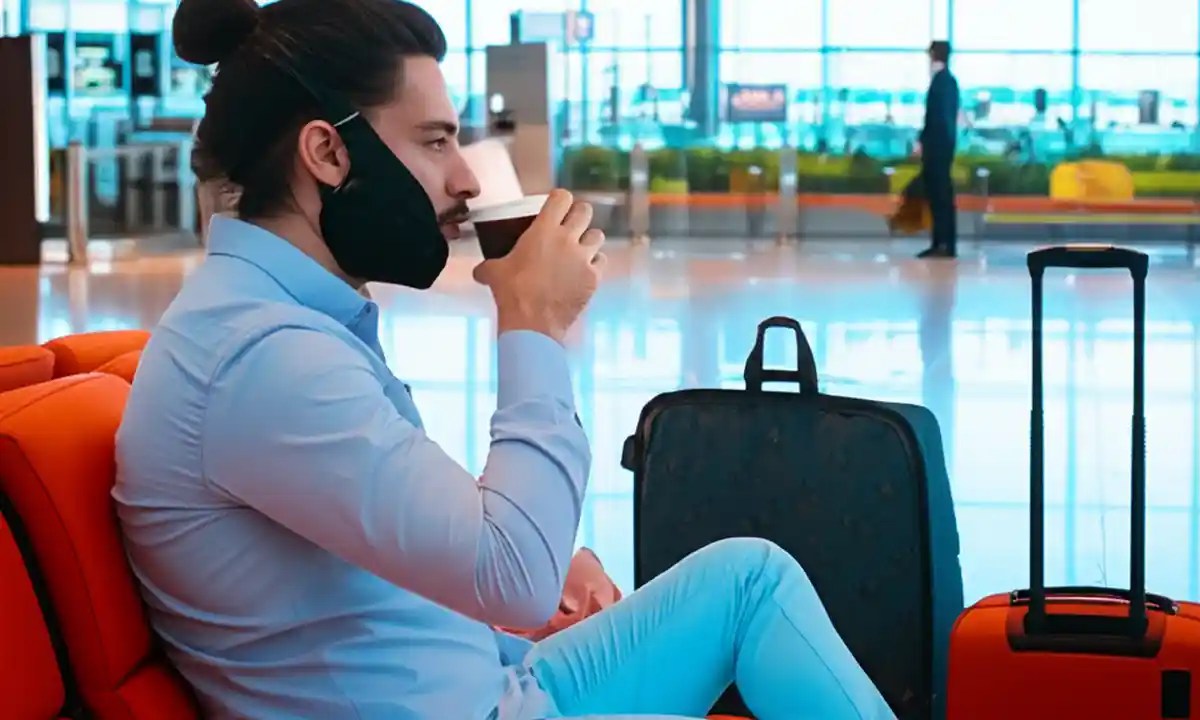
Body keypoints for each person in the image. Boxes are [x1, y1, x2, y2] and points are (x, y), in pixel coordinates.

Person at [113, 0, 896, 719]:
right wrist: (532, 322)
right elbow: (512, 572)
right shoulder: (261, 359)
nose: (463, 179)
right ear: (328, 152)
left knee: (750, 580)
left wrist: (548, 560)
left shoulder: (278, 322)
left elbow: (463, 554)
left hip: (497, 682)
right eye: (435, 141)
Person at [916, 41, 960, 259]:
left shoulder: (943, 82)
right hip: (941, 148)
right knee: (937, 195)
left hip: (938, 150)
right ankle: (940, 242)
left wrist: (927, 143)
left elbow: (938, 119)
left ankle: (944, 244)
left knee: (940, 195)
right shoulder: (946, 81)